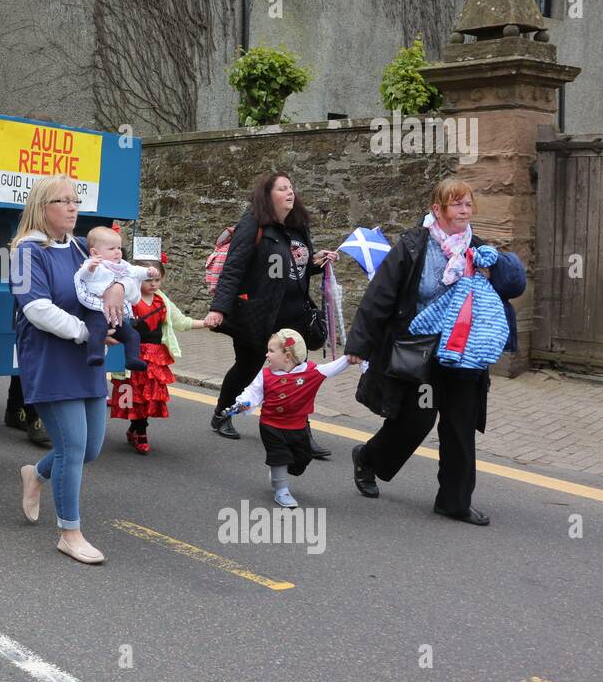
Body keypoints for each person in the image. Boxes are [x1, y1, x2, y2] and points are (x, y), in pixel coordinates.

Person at [345, 179, 527, 526]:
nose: (464, 211)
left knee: (460, 425)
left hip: (464, 355)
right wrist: (359, 344)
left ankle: (454, 502)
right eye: (456, 204)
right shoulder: (414, 245)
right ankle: (368, 458)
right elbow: (380, 295)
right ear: (437, 209)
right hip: (422, 353)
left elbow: (513, 286)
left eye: (468, 205)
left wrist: (496, 268)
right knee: (417, 420)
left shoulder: (478, 248)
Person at [12, 175, 124, 565]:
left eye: (75, 200)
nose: (73, 207)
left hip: (85, 359)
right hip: (50, 360)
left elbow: (116, 276)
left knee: (89, 449)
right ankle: (69, 533)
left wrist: (116, 289)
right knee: (72, 448)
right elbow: (36, 309)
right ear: (42, 208)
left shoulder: (79, 247)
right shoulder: (25, 253)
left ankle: (36, 475)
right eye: (63, 201)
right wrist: (87, 333)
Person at [204, 171, 338, 459]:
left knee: (297, 373)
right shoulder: (253, 224)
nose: (290, 192)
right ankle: (222, 412)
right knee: (248, 367)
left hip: (294, 315)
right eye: (282, 188)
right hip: (259, 314)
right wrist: (219, 309)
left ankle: (301, 434)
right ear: (267, 195)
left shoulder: (298, 226)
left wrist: (317, 262)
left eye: (291, 187)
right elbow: (234, 268)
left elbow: (297, 268)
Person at [232, 329, 351, 508]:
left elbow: (333, 368)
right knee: (279, 457)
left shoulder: (311, 372)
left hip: (298, 427)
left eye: (271, 351)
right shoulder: (265, 375)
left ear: (287, 356)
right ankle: (281, 489)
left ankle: (279, 471)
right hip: (270, 425)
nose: (266, 354)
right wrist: (242, 403)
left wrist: (350, 358)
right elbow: (252, 393)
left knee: (302, 460)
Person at [108, 259, 206, 455]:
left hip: (155, 356)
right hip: (130, 353)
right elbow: (110, 320)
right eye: (148, 280)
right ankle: (140, 432)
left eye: (157, 280)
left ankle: (137, 429)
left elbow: (181, 322)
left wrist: (206, 323)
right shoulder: (126, 298)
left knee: (148, 397)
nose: (153, 284)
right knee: (134, 395)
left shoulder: (162, 300)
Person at [75, 225, 155, 370]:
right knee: (98, 329)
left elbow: (135, 271)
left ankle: (132, 359)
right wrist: (90, 268)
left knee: (132, 335)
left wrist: (147, 272)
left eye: (119, 248)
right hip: (96, 311)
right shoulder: (94, 264)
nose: (118, 252)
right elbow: (83, 276)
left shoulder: (122, 265)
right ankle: (95, 354)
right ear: (95, 252)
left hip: (114, 315)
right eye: (111, 249)